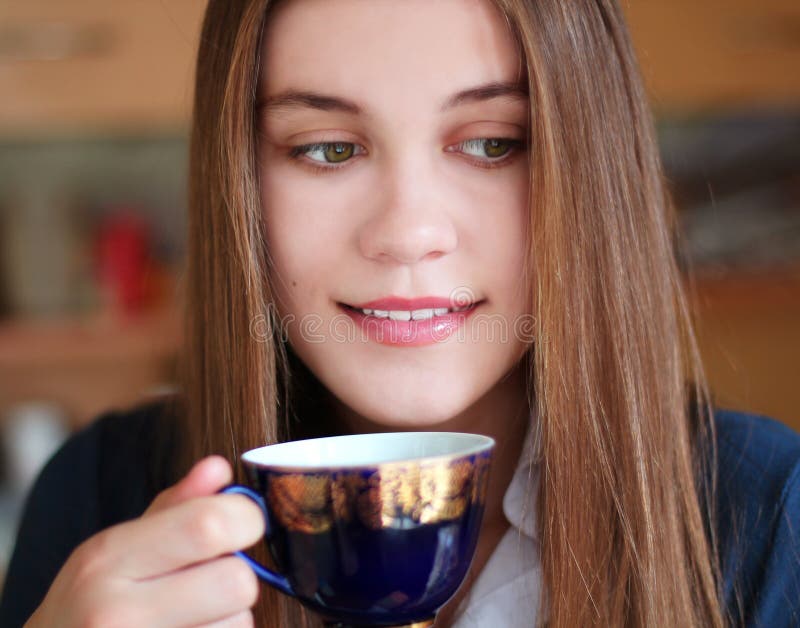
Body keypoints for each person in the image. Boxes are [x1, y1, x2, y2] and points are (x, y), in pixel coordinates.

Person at [1, 0, 799, 626]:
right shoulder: (99, 500)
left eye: (492, 143)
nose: (409, 234)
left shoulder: (770, 516)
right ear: (238, 183)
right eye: (328, 148)